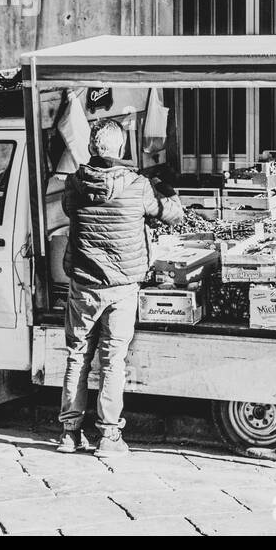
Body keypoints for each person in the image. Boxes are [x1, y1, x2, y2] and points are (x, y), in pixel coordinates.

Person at [58, 119, 182, 455]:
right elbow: (170, 214)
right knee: (113, 361)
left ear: (92, 149)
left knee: (77, 357)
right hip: (123, 286)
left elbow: (69, 208)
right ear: (122, 149)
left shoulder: (74, 182)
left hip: (83, 284)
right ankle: (109, 436)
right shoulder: (137, 185)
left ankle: (69, 433)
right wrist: (167, 193)